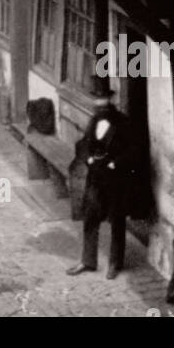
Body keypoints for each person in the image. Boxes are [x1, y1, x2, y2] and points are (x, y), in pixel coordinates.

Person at [67, 78, 136, 280]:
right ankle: (88, 261)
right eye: (97, 99)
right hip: (96, 177)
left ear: (110, 100)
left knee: (117, 220)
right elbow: (85, 143)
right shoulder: (94, 120)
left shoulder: (122, 122)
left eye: (103, 99)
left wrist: (115, 163)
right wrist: (88, 158)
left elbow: (133, 151)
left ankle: (115, 263)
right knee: (90, 217)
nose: (99, 103)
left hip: (115, 179)